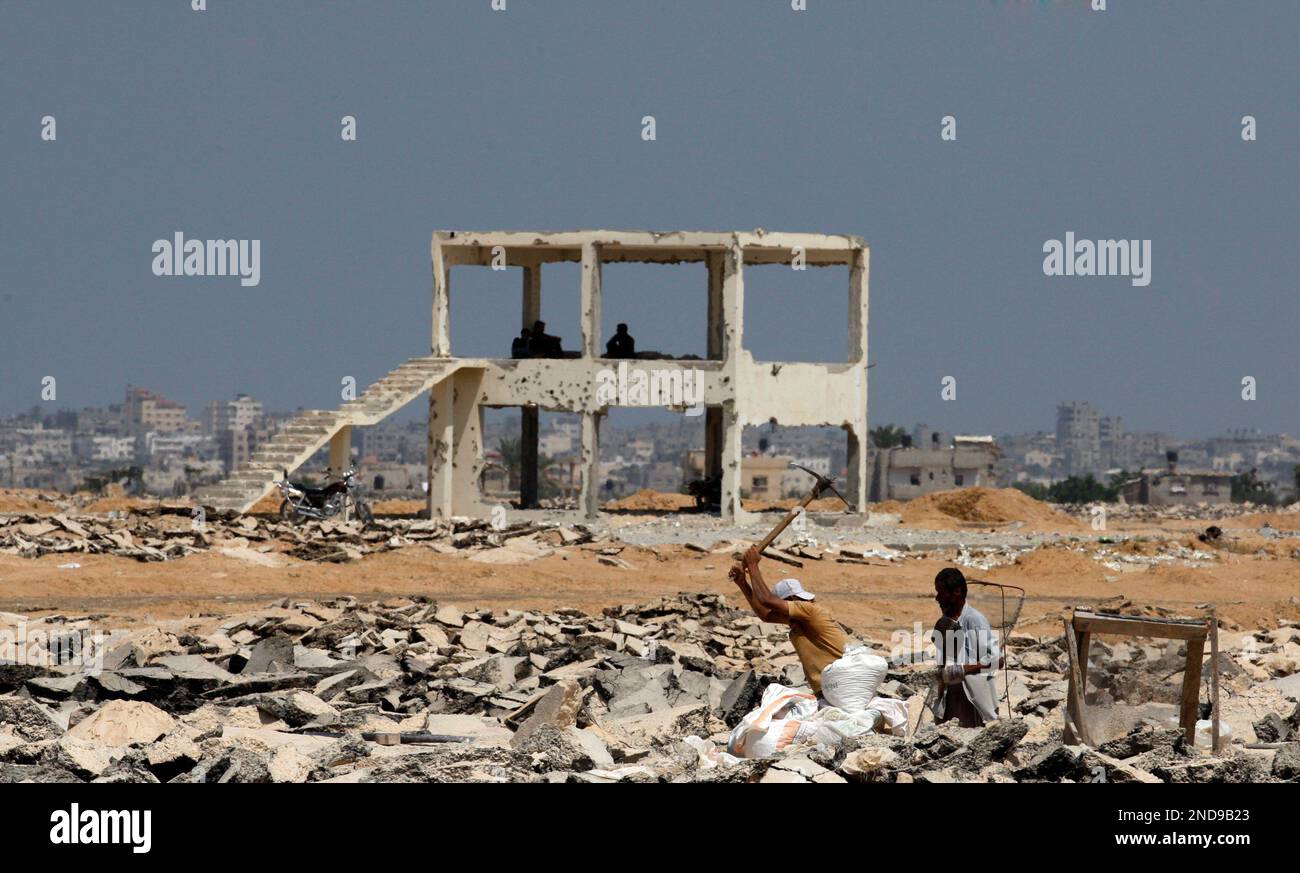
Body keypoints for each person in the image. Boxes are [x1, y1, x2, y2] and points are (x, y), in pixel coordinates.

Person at [729, 546, 845, 697]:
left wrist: (752, 566)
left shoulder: (810, 610)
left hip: (840, 683)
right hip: (828, 688)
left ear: (789, 600)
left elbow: (766, 601)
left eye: (780, 606)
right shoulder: (799, 620)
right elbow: (766, 615)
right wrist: (742, 583)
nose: (779, 613)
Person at [930, 567, 1001, 727]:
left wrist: (961, 670)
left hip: (972, 699)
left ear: (956, 592)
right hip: (951, 696)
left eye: (941, 593)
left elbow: (997, 660)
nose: (937, 598)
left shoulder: (974, 620)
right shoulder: (948, 620)